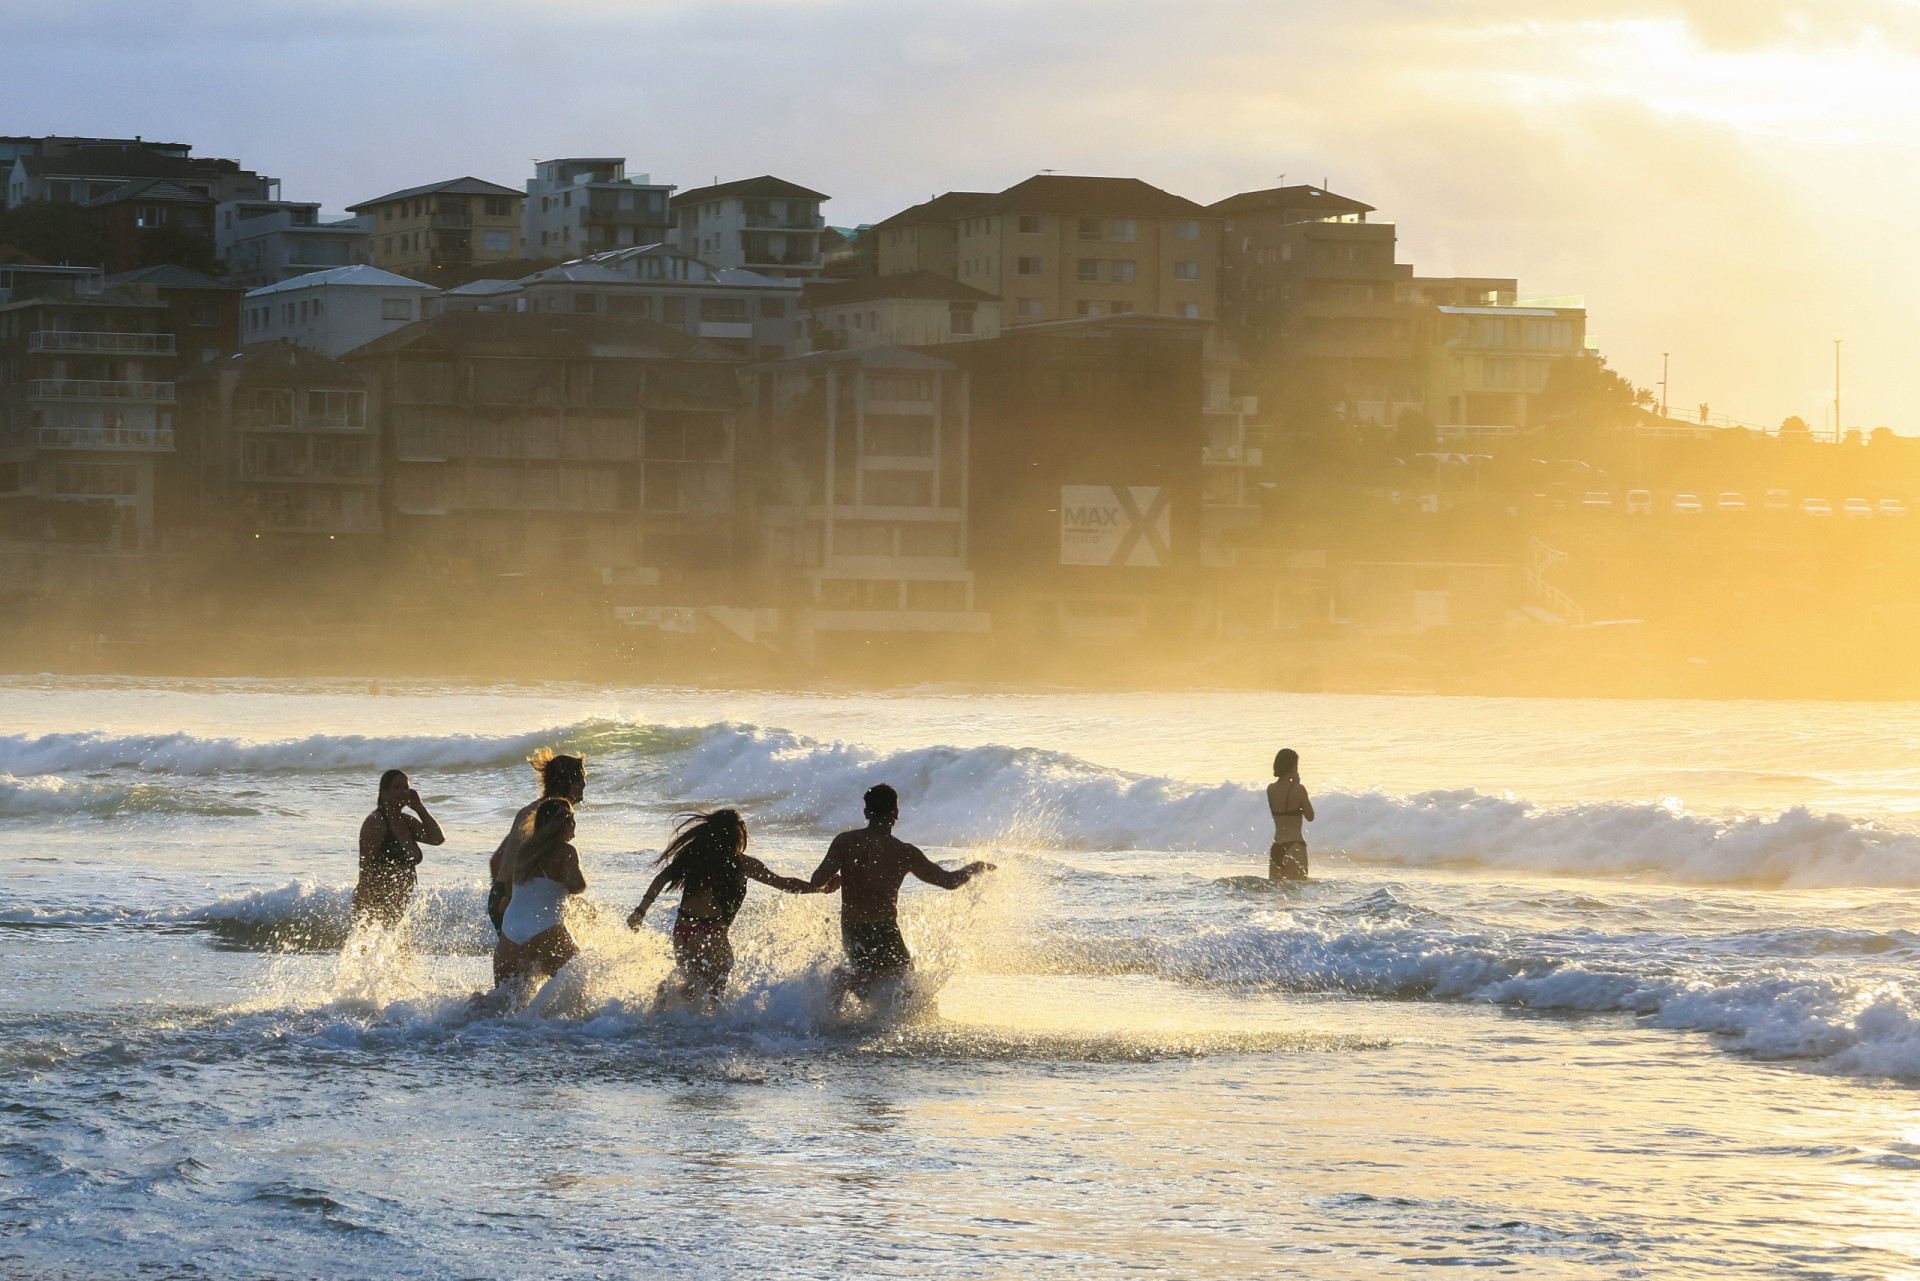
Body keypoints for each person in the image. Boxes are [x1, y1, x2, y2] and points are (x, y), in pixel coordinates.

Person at [626, 809, 832, 1011]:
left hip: (682, 930)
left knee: (692, 982)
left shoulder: (694, 857)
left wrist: (640, 911)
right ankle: (702, 1027)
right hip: (710, 933)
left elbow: (661, 878)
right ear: (737, 834)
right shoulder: (742, 864)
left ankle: (667, 1008)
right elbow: (784, 884)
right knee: (715, 986)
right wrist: (820, 888)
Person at [806, 784, 994, 1000]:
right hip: (885, 928)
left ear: (866, 813)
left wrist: (833, 879)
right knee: (904, 989)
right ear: (896, 813)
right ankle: (844, 983)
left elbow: (816, 881)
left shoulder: (845, 842)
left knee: (870, 985)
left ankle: (843, 982)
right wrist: (973, 868)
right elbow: (948, 882)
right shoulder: (904, 852)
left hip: (853, 927)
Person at [488, 751, 585, 935]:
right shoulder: (548, 816)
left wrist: (501, 895)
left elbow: (497, 860)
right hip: (512, 899)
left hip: (502, 896)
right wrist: (511, 898)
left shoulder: (533, 809)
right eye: (580, 779)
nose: (584, 785)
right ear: (568, 782)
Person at [494, 797, 587, 987]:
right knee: (578, 985)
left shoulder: (524, 849)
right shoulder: (565, 851)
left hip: (510, 931)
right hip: (545, 928)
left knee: (502, 1002)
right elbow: (576, 885)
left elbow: (510, 884)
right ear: (567, 822)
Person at [354, 769, 445, 929]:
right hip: (375, 904)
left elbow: (437, 838)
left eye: (406, 788)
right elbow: (365, 867)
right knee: (368, 952)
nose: (403, 792)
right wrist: (364, 908)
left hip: (399, 906)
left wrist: (419, 807)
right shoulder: (376, 822)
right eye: (397, 788)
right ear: (384, 792)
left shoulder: (406, 821)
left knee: (403, 953)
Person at [1267, 748, 1315, 880]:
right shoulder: (1298, 789)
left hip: (1276, 847)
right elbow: (1310, 816)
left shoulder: (1270, 789)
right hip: (1295, 846)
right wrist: (1297, 784)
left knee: (1275, 894)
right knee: (1297, 893)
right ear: (1293, 766)